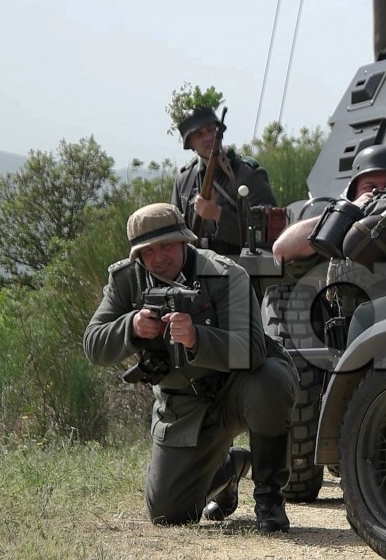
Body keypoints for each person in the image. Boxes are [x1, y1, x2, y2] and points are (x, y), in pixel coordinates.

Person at [83, 203, 296, 531]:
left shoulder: (226, 274)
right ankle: (229, 469)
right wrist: (130, 327)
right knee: (168, 515)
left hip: (238, 388)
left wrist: (198, 338)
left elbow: (253, 350)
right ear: (137, 255)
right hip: (183, 406)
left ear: (185, 241)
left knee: (270, 377)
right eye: (148, 251)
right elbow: (93, 346)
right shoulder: (126, 281)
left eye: (167, 245)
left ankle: (269, 500)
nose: (158, 257)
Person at [273, 144, 386, 263]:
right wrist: (347, 211)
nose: (380, 194)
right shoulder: (339, 223)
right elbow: (281, 250)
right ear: (354, 193)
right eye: (370, 188)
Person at [171, 107, 277, 257]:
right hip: (198, 268)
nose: (208, 137)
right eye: (199, 134)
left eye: (210, 130)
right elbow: (175, 232)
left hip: (243, 268)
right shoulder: (184, 180)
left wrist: (218, 215)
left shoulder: (248, 174)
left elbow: (267, 234)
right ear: (190, 144)